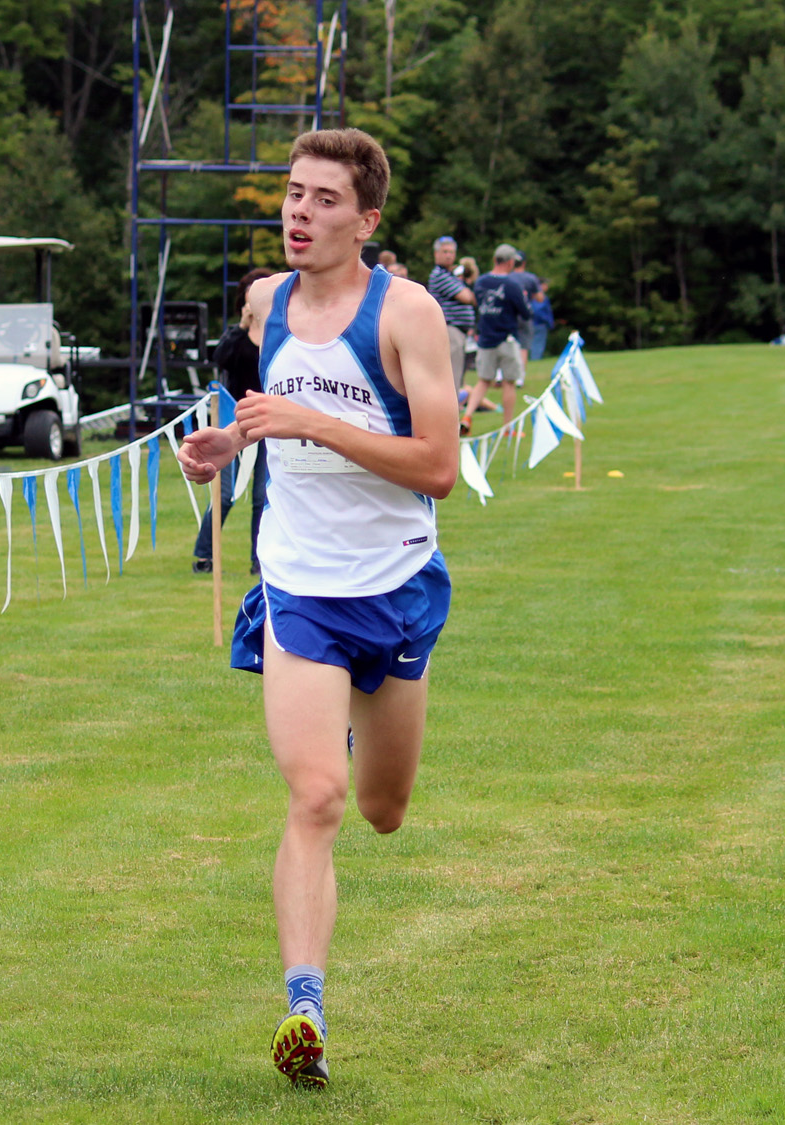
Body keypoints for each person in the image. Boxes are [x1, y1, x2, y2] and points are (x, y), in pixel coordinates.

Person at [175, 127, 457, 1092]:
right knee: (316, 796)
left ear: (367, 219)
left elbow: (439, 467)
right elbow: (265, 414)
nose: (300, 212)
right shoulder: (265, 306)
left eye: (325, 199)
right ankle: (306, 1007)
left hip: (397, 587)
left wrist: (312, 423)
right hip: (299, 586)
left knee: (380, 808)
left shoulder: (408, 315)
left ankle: (353, 723)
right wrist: (225, 443)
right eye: (293, 194)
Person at [194, 266, 276, 574]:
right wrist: (241, 327)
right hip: (233, 421)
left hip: (267, 420)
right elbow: (219, 359)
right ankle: (204, 554)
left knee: (261, 496)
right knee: (225, 494)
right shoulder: (235, 333)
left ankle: (260, 559)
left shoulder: (278, 330)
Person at [459, 244, 533, 434]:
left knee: (483, 381)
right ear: (510, 263)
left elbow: (477, 303)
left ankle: (467, 416)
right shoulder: (513, 285)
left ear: (494, 260)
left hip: (485, 339)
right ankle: (507, 427)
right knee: (509, 382)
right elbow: (525, 313)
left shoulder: (481, 282)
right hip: (506, 339)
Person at [426, 236, 476, 389]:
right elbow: (468, 297)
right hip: (450, 329)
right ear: (436, 254)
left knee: (458, 377)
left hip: (458, 331)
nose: (449, 255)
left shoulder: (450, 275)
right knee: (452, 378)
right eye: (445, 251)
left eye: (452, 252)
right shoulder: (439, 275)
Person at [508, 251, 540, 359]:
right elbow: (540, 298)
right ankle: (521, 375)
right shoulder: (531, 278)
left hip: (510, 315)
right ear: (524, 263)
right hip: (525, 314)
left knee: (508, 344)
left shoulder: (508, 277)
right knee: (524, 347)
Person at [528, 280, 554, 360]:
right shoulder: (540, 298)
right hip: (539, 324)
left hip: (533, 323)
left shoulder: (531, 296)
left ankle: (533, 359)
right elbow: (538, 311)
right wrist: (547, 321)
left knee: (533, 343)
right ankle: (535, 360)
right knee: (538, 344)